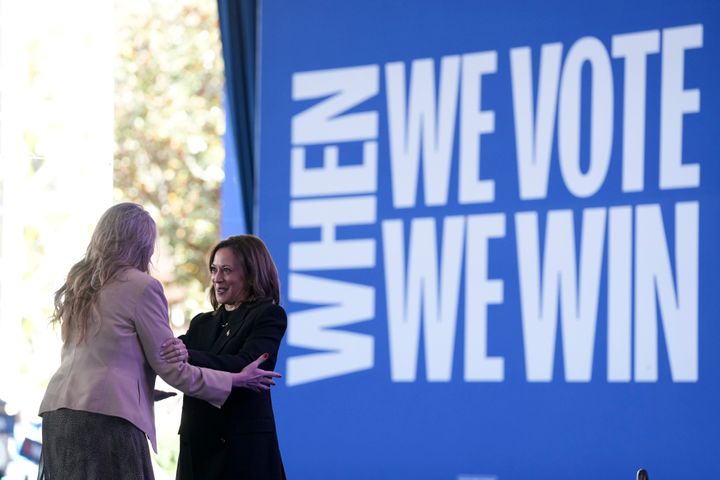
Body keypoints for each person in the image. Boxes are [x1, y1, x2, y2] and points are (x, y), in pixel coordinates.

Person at [37, 203, 280, 480]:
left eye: (226, 270)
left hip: (57, 414)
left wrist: (139, 385)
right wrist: (234, 380)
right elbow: (172, 367)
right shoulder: (142, 286)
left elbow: (95, 356)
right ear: (142, 243)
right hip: (108, 420)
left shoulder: (80, 283)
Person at [160, 235, 287, 480]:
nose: (217, 278)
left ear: (251, 274)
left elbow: (248, 365)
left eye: (227, 270)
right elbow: (168, 355)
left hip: (242, 452)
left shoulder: (268, 316)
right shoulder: (201, 323)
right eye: (214, 270)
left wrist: (188, 355)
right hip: (197, 448)